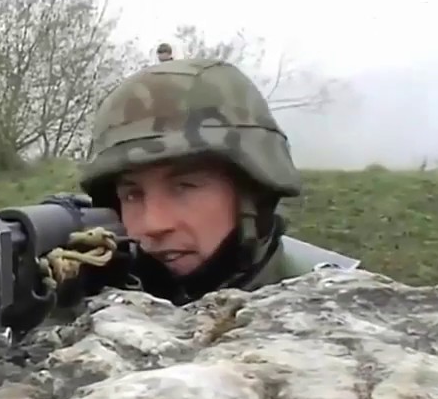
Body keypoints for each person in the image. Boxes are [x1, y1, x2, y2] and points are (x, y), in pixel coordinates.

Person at [60, 57, 355, 307]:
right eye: (132, 195)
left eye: (184, 187)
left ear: (253, 191)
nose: (153, 224)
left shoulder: (338, 307)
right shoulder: (93, 300)